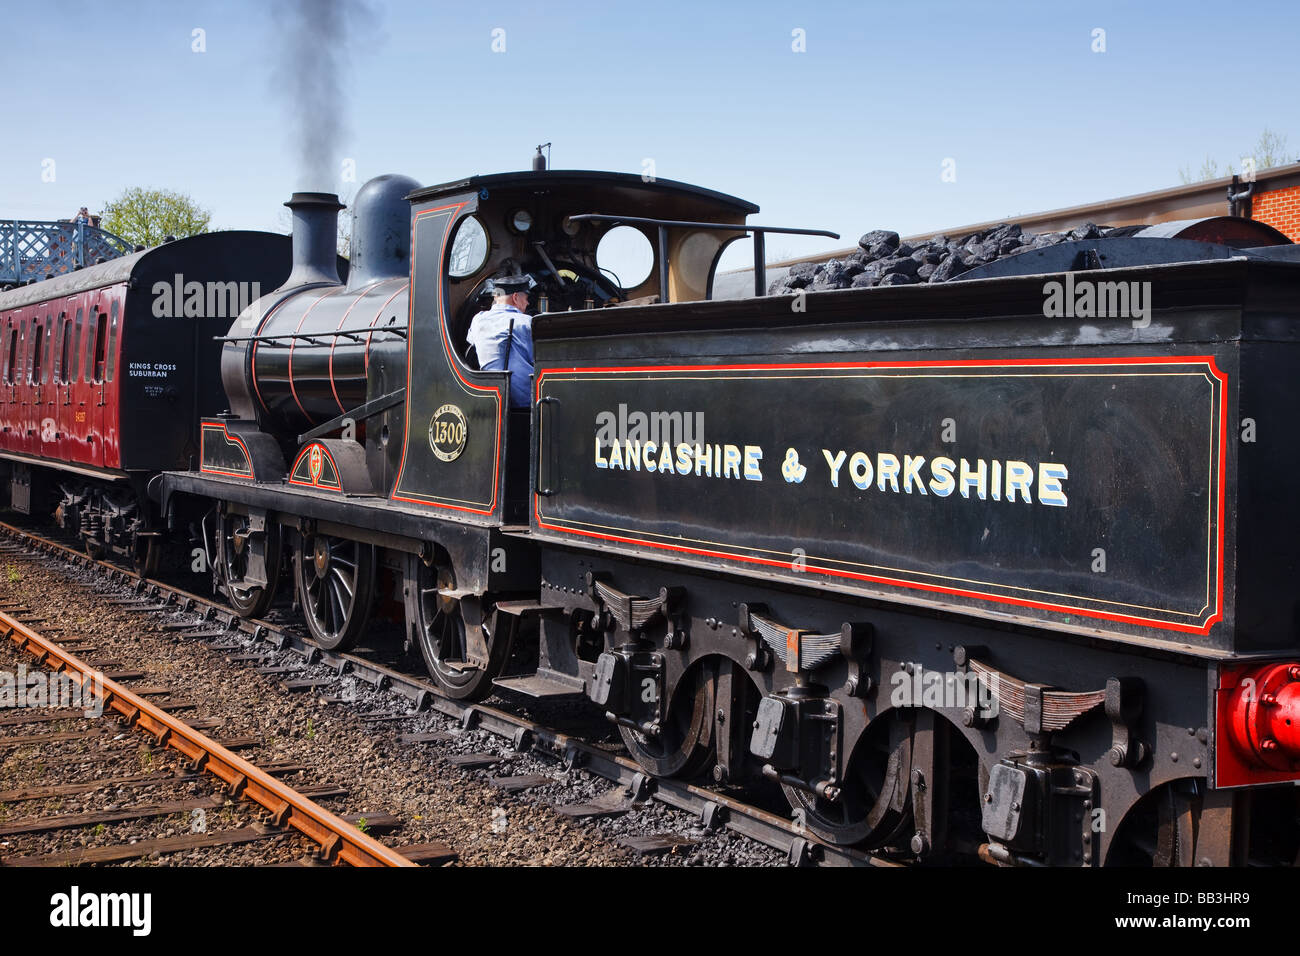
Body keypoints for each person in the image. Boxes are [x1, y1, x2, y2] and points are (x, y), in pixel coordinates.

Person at [466, 273, 535, 408]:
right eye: (526, 298)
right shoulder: (526, 323)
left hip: (492, 400)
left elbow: (471, 343)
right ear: (515, 297)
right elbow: (540, 359)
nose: (527, 303)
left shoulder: (478, 320)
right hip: (526, 403)